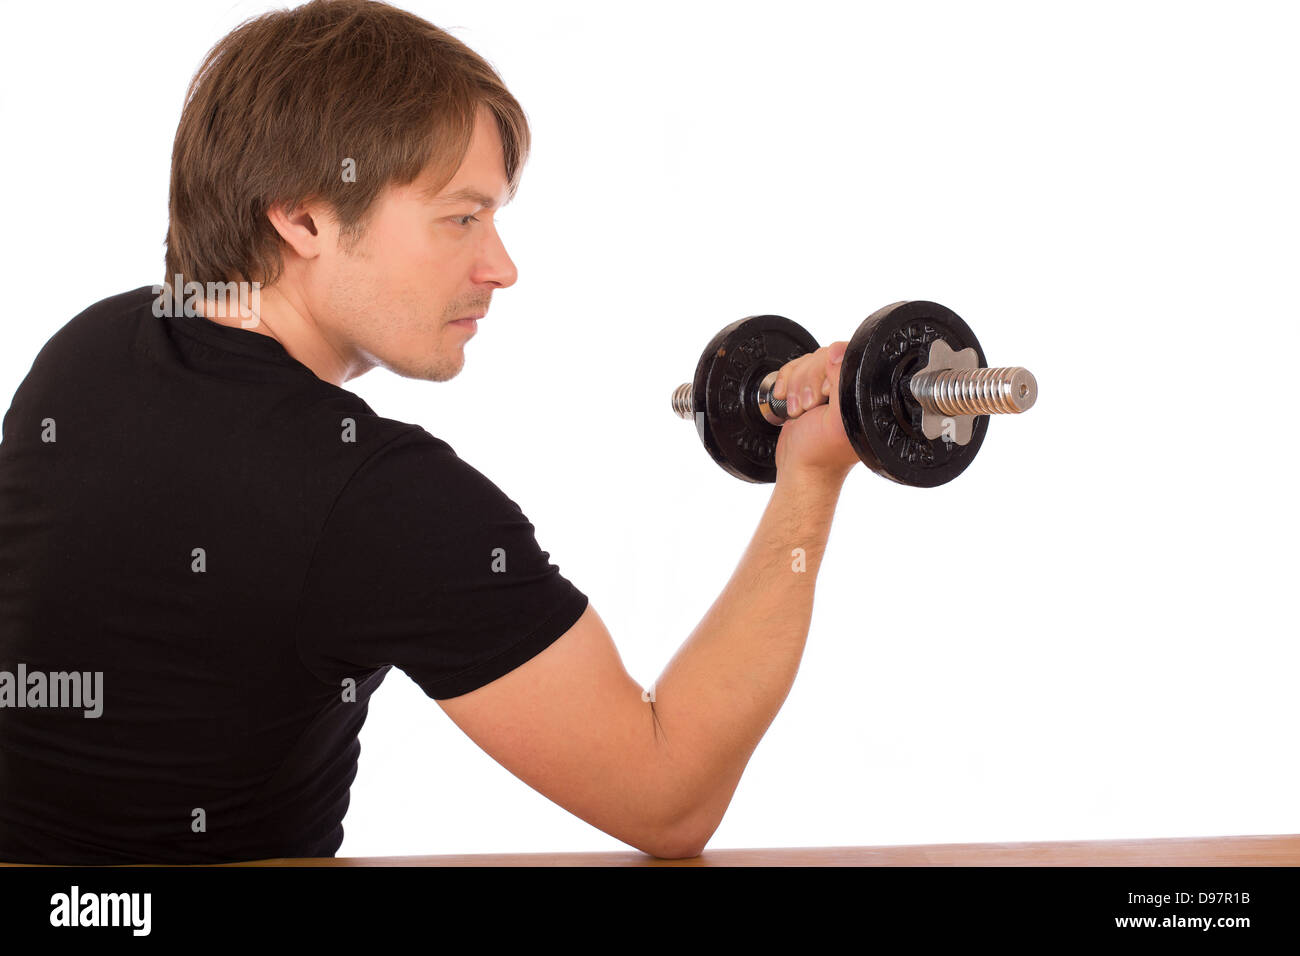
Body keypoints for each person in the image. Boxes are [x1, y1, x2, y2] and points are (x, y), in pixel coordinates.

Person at [0, 0, 858, 864]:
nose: (502, 267)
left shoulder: (90, 349)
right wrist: (809, 481)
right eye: (460, 218)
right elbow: (669, 796)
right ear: (303, 220)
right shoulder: (377, 498)